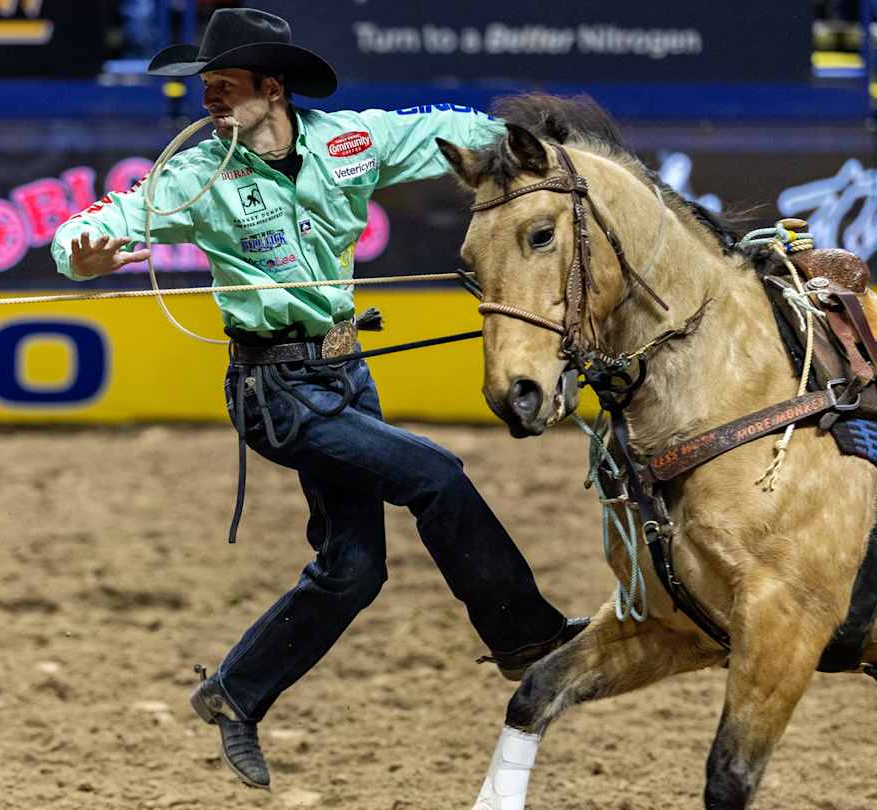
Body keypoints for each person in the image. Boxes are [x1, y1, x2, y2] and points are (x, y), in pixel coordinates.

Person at [50, 8, 585, 791]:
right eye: (206, 88)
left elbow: (445, 128)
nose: (209, 101)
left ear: (273, 88)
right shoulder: (197, 174)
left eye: (224, 86)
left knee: (352, 569)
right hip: (277, 392)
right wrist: (84, 254)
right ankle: (524, 636)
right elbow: (103, 225)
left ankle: (235, 693)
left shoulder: (350, 142)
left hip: (344, 375)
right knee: (435, 475)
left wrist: (535, 144)